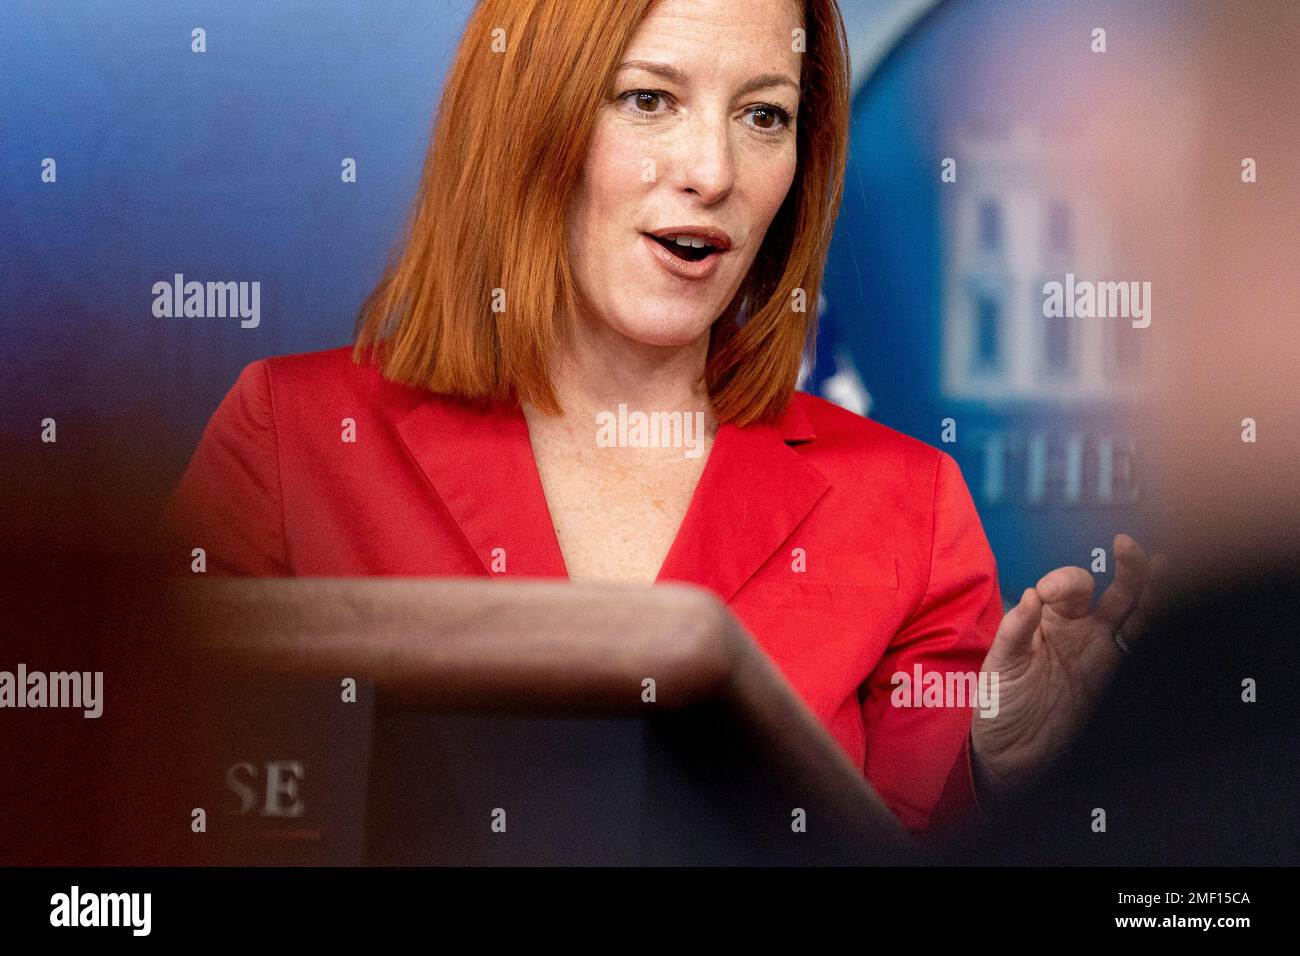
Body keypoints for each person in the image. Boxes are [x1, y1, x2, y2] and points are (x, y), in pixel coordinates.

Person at [157, 0, 1157, 838]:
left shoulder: (904, 503)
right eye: (649, 99)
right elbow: (148, 813)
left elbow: (897, 844)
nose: (712, 170)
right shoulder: (291, 437)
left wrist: (998, 766)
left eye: (763, 116)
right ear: (526, 116)